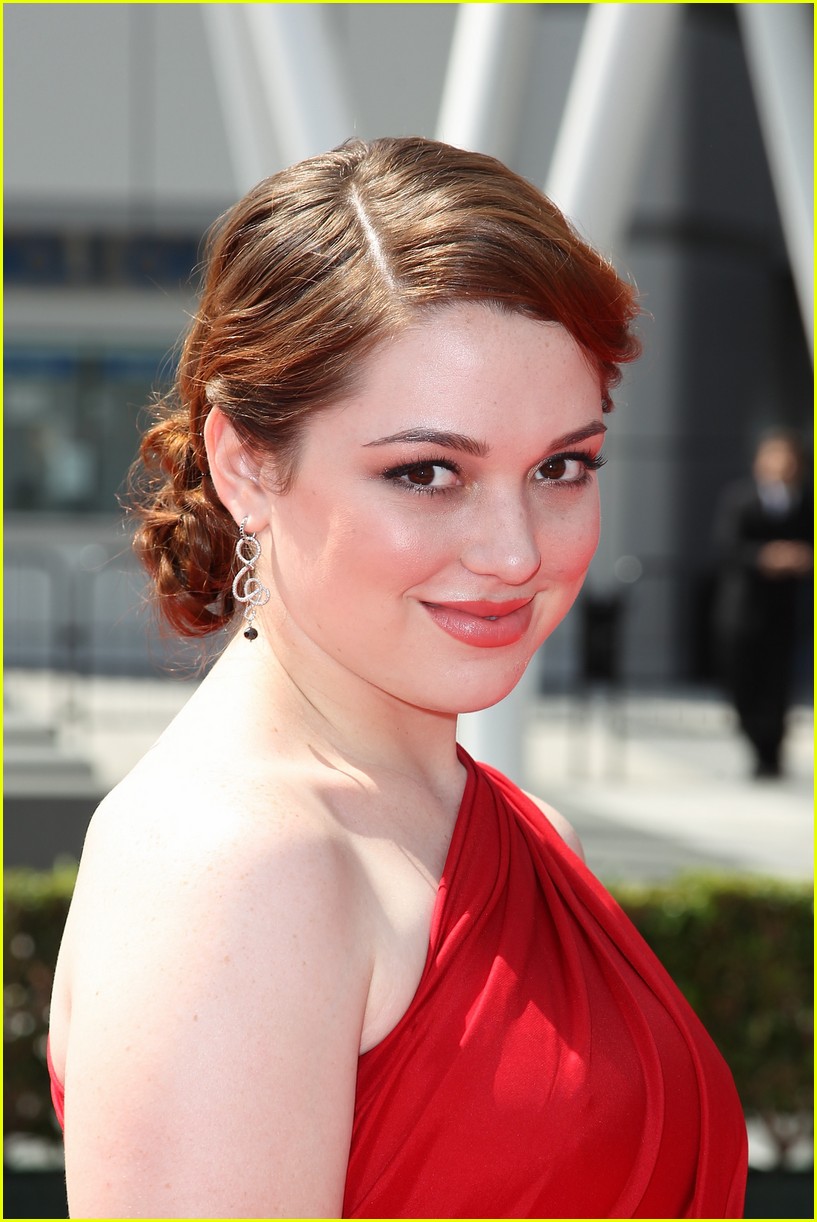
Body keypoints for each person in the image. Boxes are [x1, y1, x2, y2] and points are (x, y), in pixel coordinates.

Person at [48, 136, 747, 1218]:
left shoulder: (492, 819)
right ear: (247, 466)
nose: (515, 552)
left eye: (561, 466)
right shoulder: (237, 866)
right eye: (427, 473)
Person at [712, 430, 813, 778]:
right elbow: (728, 547)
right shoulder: (740, 499)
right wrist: (765, 557)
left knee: (778, 684)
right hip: (742, 610)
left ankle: (771, 753)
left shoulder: (805, 502)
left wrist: (801, 557)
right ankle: (756, 740)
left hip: (784, 611)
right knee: (743, 680)